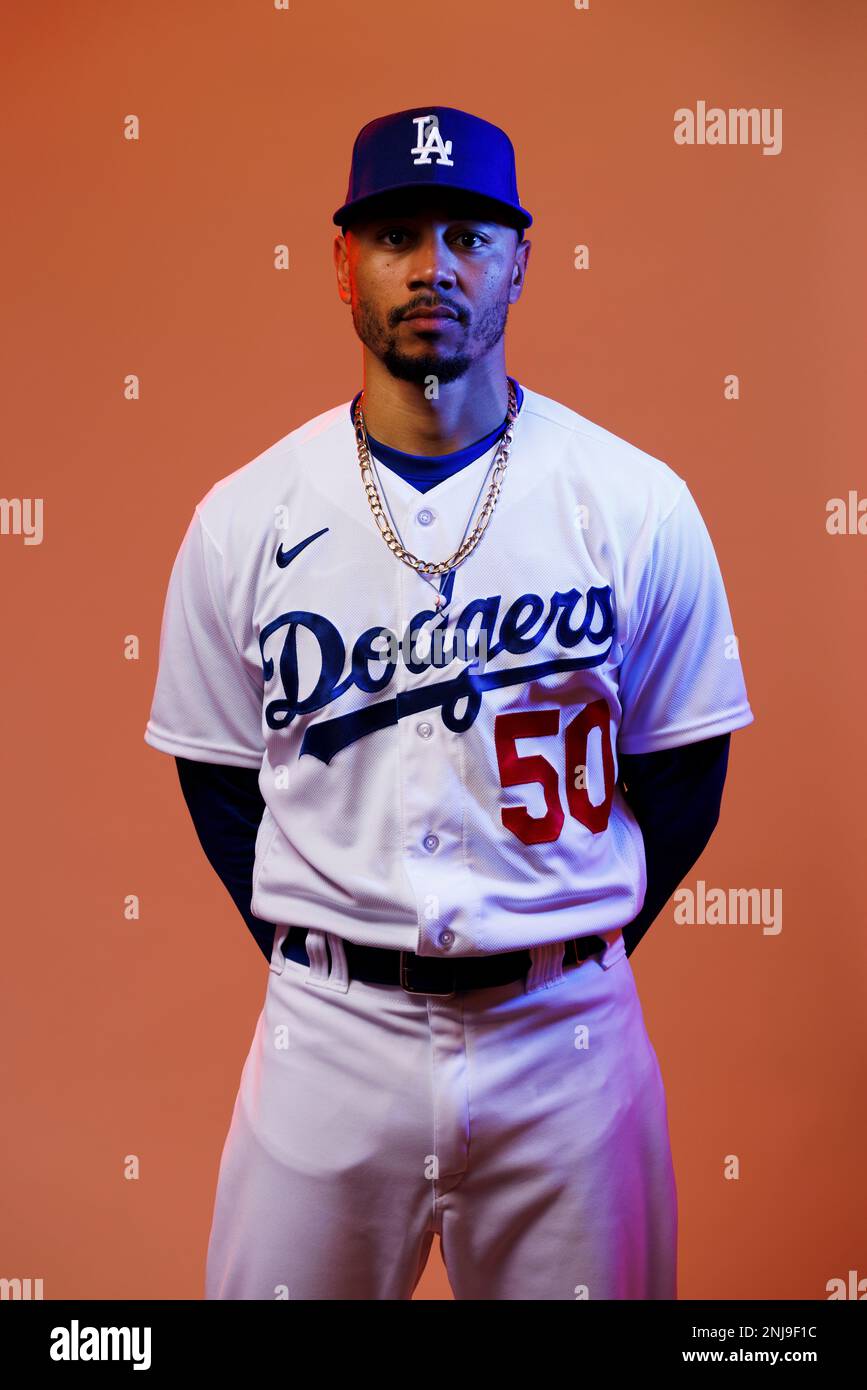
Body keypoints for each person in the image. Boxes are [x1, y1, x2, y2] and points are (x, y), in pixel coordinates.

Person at [144, 106, 754, 1300]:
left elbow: (686, 768)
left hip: (568, 1044)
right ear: (342, 264)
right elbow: (219, 775)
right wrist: (321, 941)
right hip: (327, 1037)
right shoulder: (245, 515)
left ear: (521, 260)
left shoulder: (633, 501)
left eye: (471, 235)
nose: (435, 268)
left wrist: (568, 940)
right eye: (396, 235)